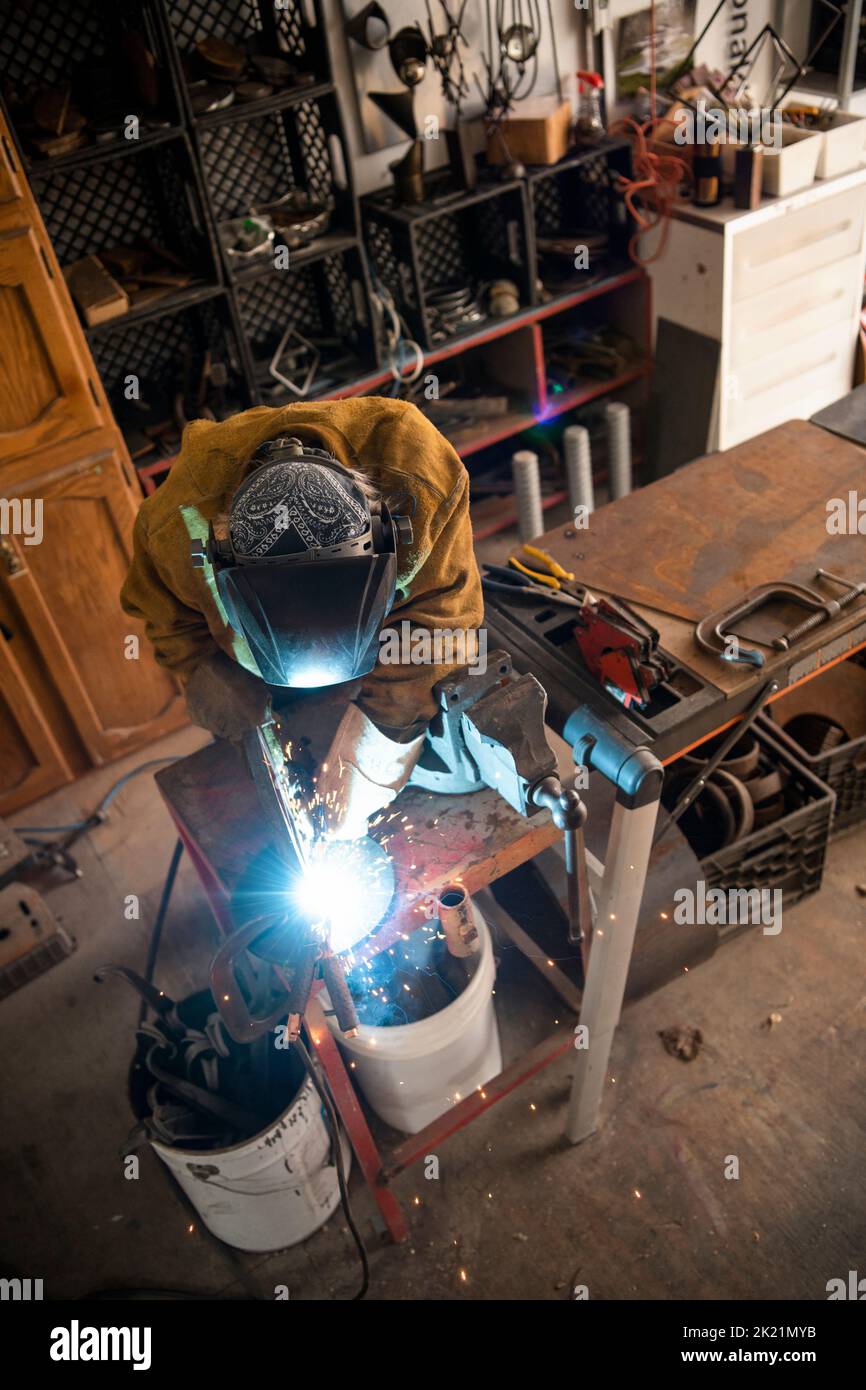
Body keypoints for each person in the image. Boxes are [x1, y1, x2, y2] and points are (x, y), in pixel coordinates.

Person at [120, 398, 483, 841]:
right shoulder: (172, 531)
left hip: (386, 645)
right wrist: (217, 686)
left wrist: (376, 752)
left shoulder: (417, 474)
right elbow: (171, 627)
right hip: (256, 668)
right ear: (215, 559)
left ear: (390, 532)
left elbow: (438, 620)